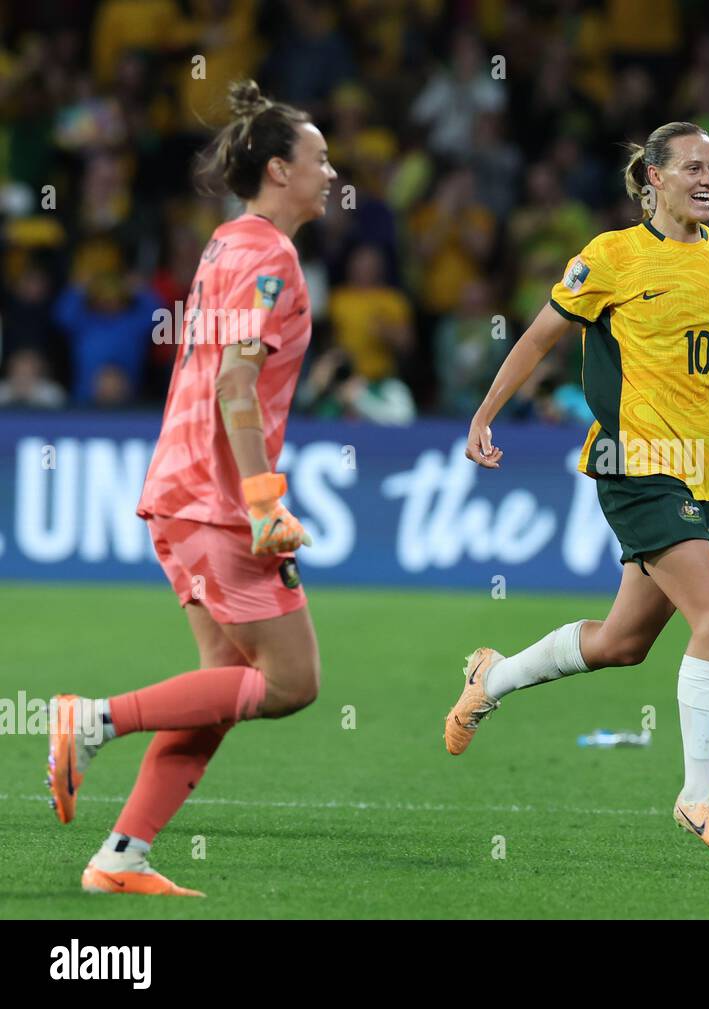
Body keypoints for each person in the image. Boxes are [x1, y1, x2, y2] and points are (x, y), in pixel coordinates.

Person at [445, 122, 709, 856]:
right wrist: (483, 415)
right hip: (636, 465)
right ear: (653, 179)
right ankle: (698, 796)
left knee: (622, 643)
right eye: (693, 166)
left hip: (702, 472)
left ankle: (491, 676)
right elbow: (539, 335)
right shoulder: (612, 256)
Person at [46, 79, 335, 896]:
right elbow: (235, 386)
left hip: (179, 491)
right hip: (217, 501)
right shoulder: (268, 257)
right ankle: (92, 719)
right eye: (318, 158)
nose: (331, 171)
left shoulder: (224, 244)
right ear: (278, 169)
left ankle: (121, 855)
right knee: (291, 684)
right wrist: (263, 500)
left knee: (215, 693)